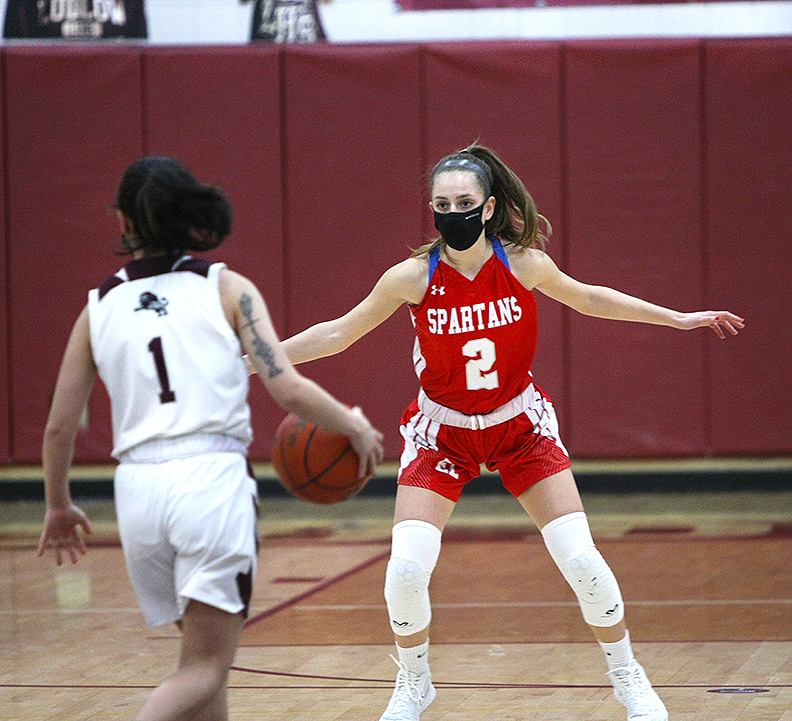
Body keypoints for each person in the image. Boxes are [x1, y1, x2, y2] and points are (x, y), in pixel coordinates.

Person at [281, 145, 744, 721]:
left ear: (489, 206)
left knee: (582, 561)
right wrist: (257, 357)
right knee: (404, 568)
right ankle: (414, 681)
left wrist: (677, 318)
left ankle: (628, 677)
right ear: (431, 209)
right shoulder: (411, 278)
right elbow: (337, 334)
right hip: (441, 434)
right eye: (441, 203)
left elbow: (592, 299)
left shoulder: (523, 264)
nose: (452, 212)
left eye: (464, 202)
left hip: (519, 428)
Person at [37, 156, 384, 721]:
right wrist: (354, 425)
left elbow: (57, 428)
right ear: (188, 216)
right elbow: (287, 387)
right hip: (209, 485)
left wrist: (58, 504)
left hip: (138, 494)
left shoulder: (97, 307)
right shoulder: (228, 289)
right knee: (203, 667)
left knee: (203, 656)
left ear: (123, 221)